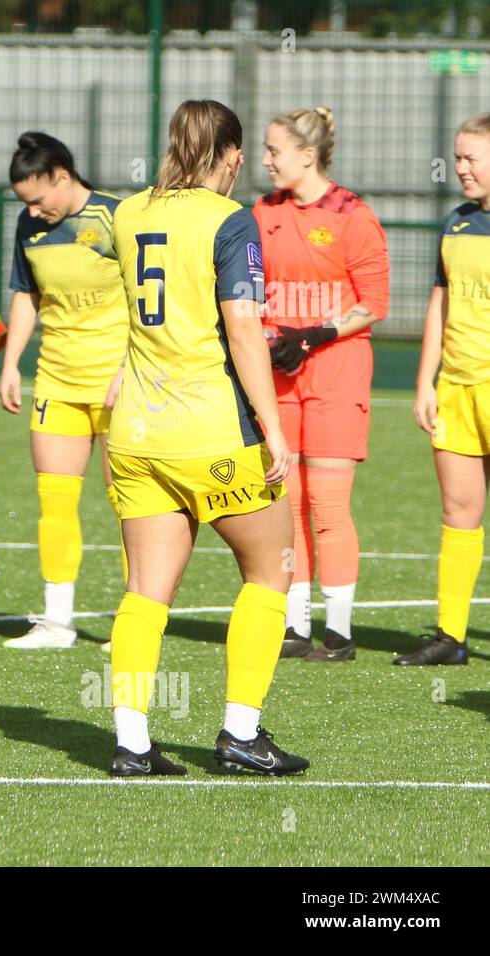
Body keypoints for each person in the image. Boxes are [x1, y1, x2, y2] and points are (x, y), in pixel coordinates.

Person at [105, 99, 307, 776]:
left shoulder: (128, 212)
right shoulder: (230, 219)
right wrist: (274, 428)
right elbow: (244, 327)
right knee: (272, 571)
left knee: (145, 592)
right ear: (235, 156)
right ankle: (241, 733)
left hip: (134, 432)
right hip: (209, 429)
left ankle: (132, 743)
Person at [256, 107, 389, 663]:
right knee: (286, 503)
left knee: (328, 505)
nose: (265, 160)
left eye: (274, 151)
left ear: (307, 156)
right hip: (279, 375)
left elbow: (374, 304)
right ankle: (295, 625)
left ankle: (338, 633)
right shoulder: (263, 213)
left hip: (337, 372)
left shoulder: (352, 214)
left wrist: (315, 333)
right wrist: (273, 335)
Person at [0, 132, 129, 649]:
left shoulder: (118, 218)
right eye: (24, 202)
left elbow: (147, 298)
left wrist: (127, 370)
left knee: (131, 505)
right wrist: (12, 362)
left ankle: (134, 618)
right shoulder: (29, 226)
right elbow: (26, 295)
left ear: (63, 175)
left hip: (121, 382)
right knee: (54, 502)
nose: (33, 209)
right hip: (57, 378)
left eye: (39, 197)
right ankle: (57, 622)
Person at [402, 112, 490, 666]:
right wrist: (425, 381)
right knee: (459, 511)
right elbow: (440, 304)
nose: (460, 168)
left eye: (471, 158)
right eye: (457, 157)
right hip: (457, 389)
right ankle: (451, 636)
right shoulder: (456, 223)